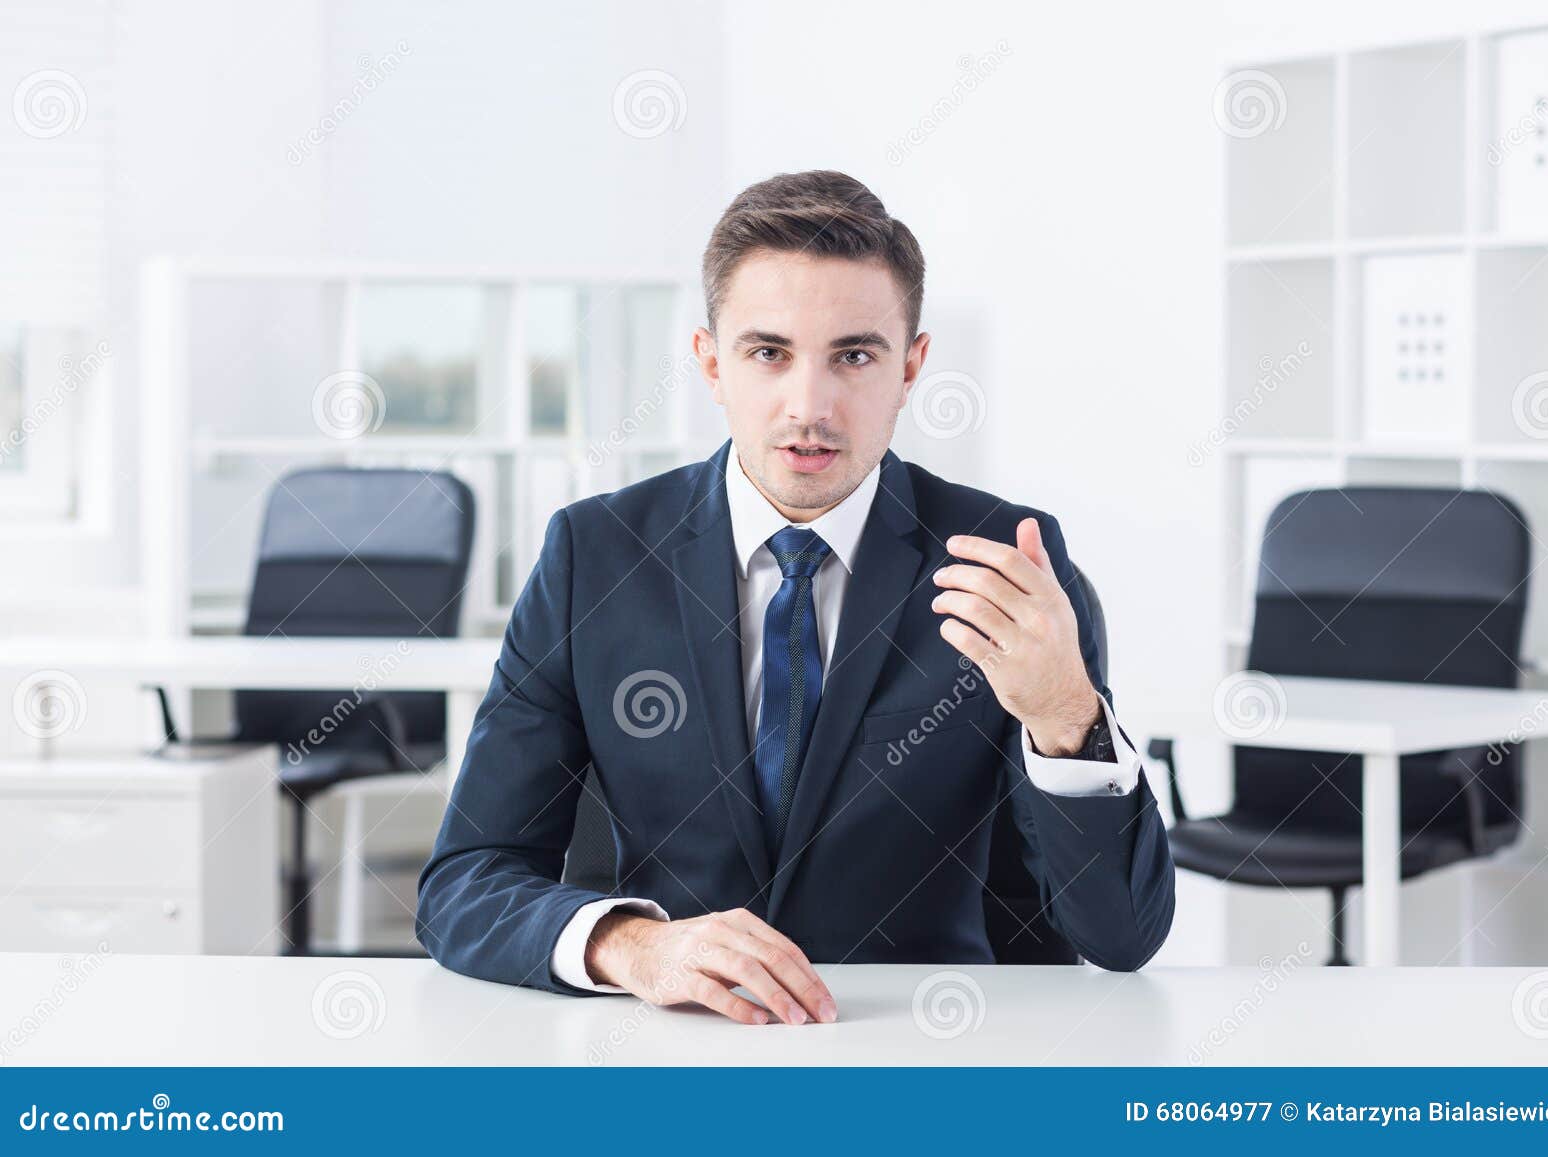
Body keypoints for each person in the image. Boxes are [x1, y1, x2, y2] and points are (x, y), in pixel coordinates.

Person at [417, 170, 1174, 1025]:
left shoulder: (1010, 562)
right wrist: (634, 945)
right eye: (767, 352)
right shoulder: (594, 557)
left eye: (853, 355)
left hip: (928, 1051)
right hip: (670, 1052)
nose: (808, 406)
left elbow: (1122, 936)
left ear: (912, 366)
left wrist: (1065, 713)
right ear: (711, 362)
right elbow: (464, 882)